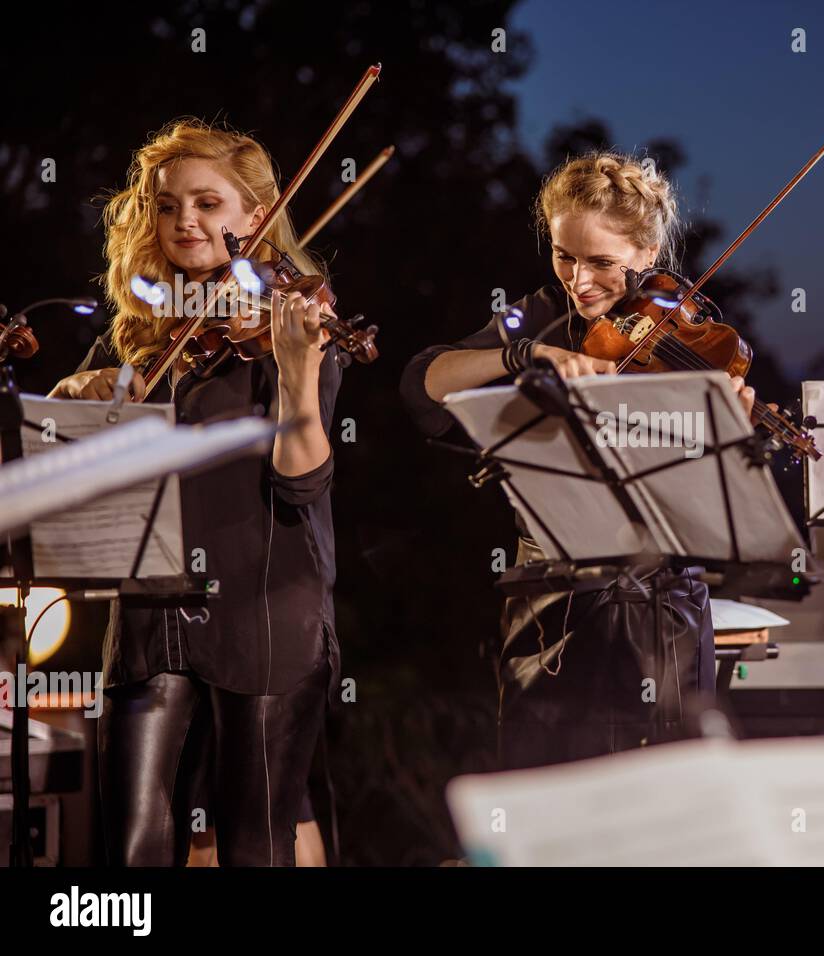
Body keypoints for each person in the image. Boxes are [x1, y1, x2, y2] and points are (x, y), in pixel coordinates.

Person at [401, 152, 758, 770]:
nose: (580, 280)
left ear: (648, 255)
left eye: (602, 263)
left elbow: (724, 493)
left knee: (663, 801)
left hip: (662, 602)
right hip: (550, 599)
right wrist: (522, 355)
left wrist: (732, 431)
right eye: (565, 256)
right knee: (546, 788)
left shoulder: (683, 336)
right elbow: (422, 381)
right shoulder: (536, 312)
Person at [48, 119, 343, 866]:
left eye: (208, 204)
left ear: (257, 217)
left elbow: (299, 480)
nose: (185, 221)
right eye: (168, 204)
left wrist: (299, 370)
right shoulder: (147, 330)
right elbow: (79, 463)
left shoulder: (292, 320)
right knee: (131, 836)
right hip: (153, 597)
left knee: (254, 840)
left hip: (266, 598)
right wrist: (82, 395)